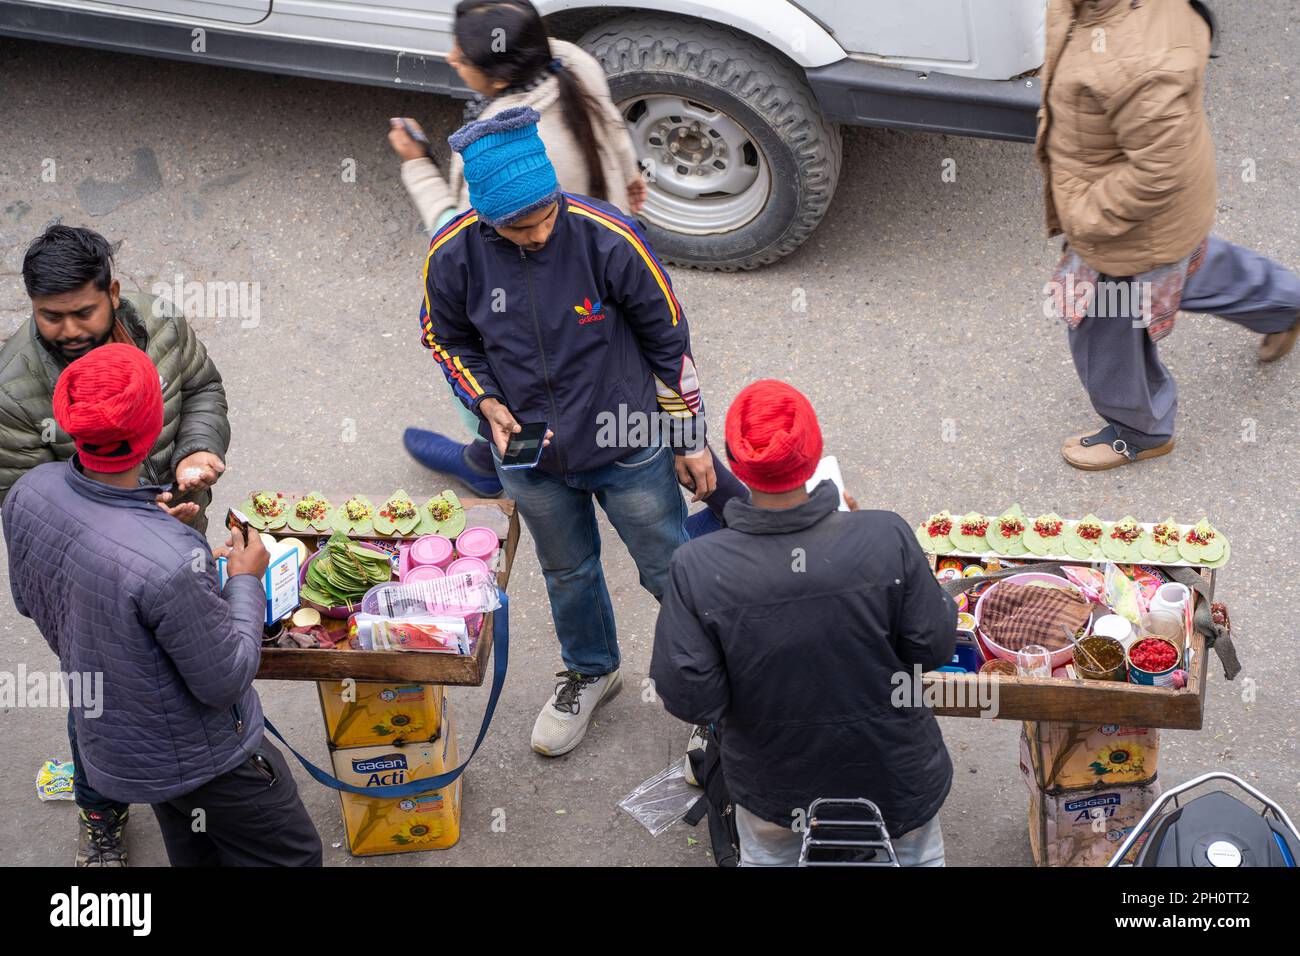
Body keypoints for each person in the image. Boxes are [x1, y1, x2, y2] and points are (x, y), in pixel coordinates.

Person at [422, 105, 731, 756]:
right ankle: (591, 670)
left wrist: (689, 437)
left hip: (630, 445)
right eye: (516, 227)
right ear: (484, 216)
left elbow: (668, 339)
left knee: (671, 569)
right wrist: (485, 403)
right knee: (568, 573)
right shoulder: (452, 257)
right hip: (532, 460)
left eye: (544, 217)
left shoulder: (609, 237)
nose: (535, 235)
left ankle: (719, 691)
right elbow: (444, 339)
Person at [2, 344, 322, 867]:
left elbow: (33, 599)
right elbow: (225, 680)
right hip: (207, 761)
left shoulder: (30, 490)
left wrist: (141, 534)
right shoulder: (171, 560)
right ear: (153, 429)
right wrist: (245, 580)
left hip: (122, 751)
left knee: (197, 854)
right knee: (294, 858)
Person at [649, 380, 956, 867]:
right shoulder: (886, 535)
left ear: (737, 462)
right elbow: (935, 644)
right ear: (813, 456)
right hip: (898, 783)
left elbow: (693, 698)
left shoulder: (697, 566)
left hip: (775, 793)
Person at [0, 223, 232, 866]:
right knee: (102, 696)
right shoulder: (13, 389)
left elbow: (205, 390)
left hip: (177, 535)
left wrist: (200, 449)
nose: (70, 329)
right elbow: (28, 505)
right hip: (92, 573)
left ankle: (196, 789)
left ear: (114, 293)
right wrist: (132, 523)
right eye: (51, 317)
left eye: (83, 311)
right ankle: (101, 813)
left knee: (188, 669)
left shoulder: (161, 327)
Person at [394, 0, 646, 498]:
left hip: (559, 278)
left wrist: (417, 164)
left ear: (499, 72)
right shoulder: (569, 60)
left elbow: (464, 232)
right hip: (608, 250)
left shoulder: (511, 148)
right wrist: (632, 180)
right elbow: (615, 133)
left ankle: (493, 463)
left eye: (461, 54)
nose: (450, 58)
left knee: (522, 378)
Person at [1039, 0, 1300, 471]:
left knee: (1102, 324)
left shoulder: (1134, 53)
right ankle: (1285, 300)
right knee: (1191, 271)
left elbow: (1161, 169)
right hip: (1162, 217)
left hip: (1125, 227)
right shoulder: (1114, 10)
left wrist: (1083, 218)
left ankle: (1141, 431)